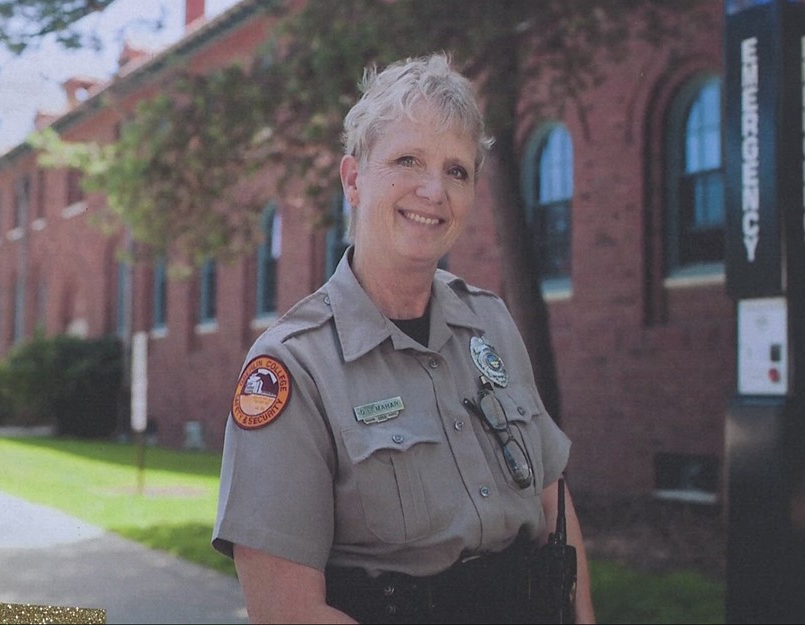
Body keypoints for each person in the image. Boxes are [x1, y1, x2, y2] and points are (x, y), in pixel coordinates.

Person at [213, 52, 595, 624]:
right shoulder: (295, 366)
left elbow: (551, 503)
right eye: (408, 160)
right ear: (354, 180)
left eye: (457, 170)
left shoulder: (489, 323)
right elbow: (285, 611)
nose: (434, 191)